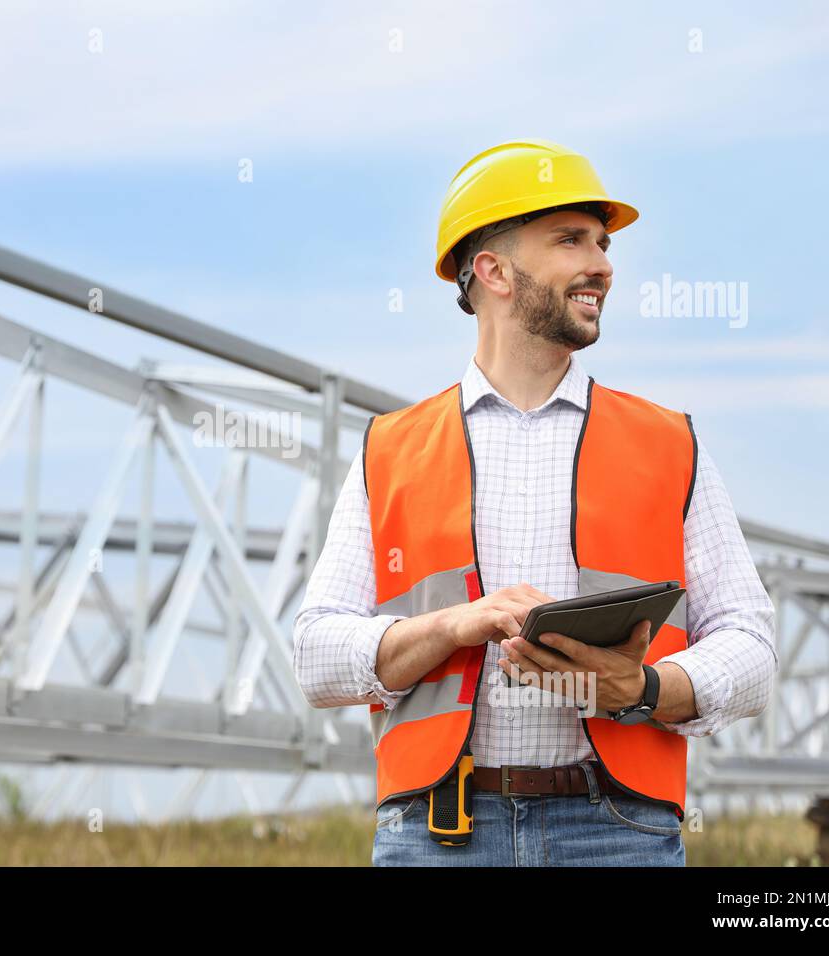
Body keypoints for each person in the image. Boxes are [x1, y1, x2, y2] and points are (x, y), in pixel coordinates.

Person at [292, 140, 777, 867]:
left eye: (604, 243)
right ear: (493, 271)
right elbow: (314, 656)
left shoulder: (669, 443)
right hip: (436, 831)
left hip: (618, 833)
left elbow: (753, 647)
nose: (604, 265)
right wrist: (453, 624)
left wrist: (645, 688)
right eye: (570, 240)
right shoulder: (389, 450)